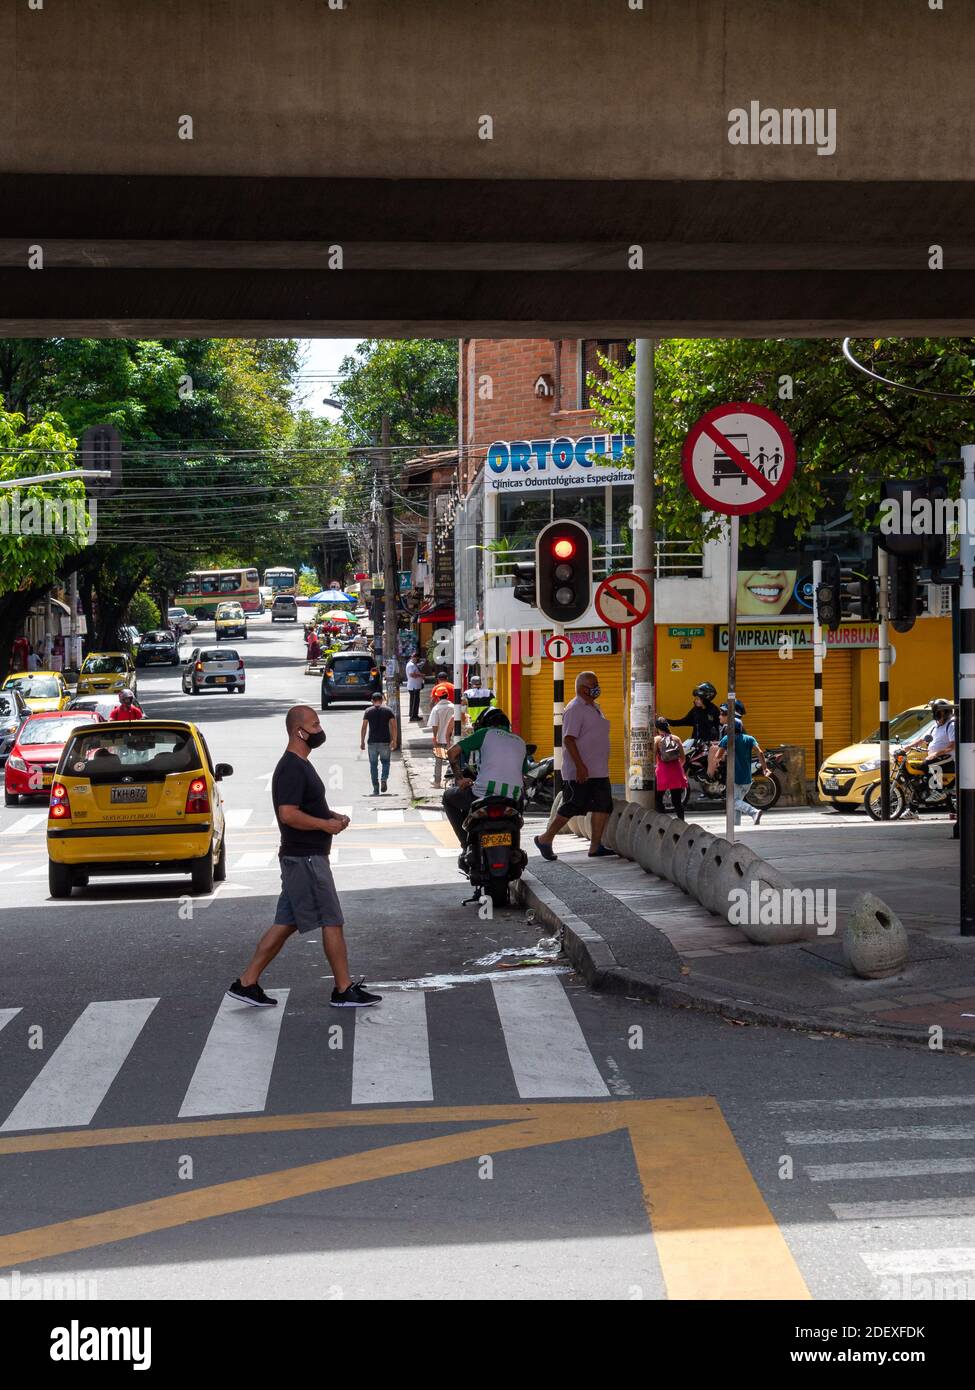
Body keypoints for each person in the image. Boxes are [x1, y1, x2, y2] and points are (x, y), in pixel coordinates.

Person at [227, 705, 381, 1009]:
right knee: (332, 920)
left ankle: (246, 983)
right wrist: (325, 825)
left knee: (286, 922)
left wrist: (330, 815)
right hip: (306, 859)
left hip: (303, 858)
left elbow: (303, 807)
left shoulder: (300, 764)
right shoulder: (291, 768)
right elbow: (288, 814)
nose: (319, 729)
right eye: (314, 724)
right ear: (299, 731)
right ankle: (343, 989)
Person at [534, 671, 615, 860]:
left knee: (602, 806)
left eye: (597, 683)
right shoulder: (575, 708)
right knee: (572, 806)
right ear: (581, 688)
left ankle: (595, 846)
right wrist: (580, 766)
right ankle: (545, 838)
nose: (597, 687)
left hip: (599, 770)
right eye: (593, 684)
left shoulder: (594, 707)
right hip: (582, 771)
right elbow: (568, 739)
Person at [443, 706, 529, 844]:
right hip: (512, 798)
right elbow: (523, 773)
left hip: (482, 794)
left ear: (485, 724)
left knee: (448, 797)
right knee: (518, 812)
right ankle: (515, 847)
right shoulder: (520, 741)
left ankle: (465, 844)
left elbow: (452, 752)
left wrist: (459, 779)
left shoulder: (485, 733)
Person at [712, 717, 768, 826]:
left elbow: (717, 756)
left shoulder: (727, 739)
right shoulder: (749, 739)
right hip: (747, 778)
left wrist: (717, 762)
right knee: (737, 803)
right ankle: (736, 826)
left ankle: (754, 812)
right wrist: (765, 768)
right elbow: (760, 753)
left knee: (732, 802)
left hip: (735, 778)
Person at [360, 690, 398, 795]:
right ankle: (384, 779)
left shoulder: (368, 711)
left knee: (373, 765)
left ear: (372, 701)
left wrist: (362, 741)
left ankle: (376, 789)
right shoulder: (388, 711)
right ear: (382, 700)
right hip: (385, 742)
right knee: (385, 762)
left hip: (372, 742)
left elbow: (364, 727)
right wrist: (394, 740)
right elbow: (394, 726)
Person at [654, 716, 688, 819]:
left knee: (658, 798)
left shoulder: (657, 740)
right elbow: (683, 758)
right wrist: (677, 768)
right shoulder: (676, 738)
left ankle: (664, 821)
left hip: (662, 772)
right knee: (677, 801)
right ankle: (681, 822)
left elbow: (653, 757)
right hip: (676, 771)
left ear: (657, 728)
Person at [427, 688, 455, 788]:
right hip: (452, 739)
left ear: (437, 697)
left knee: (438, 760)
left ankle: (437, 781)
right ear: (447, 696)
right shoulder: (453, 707)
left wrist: (435, 737)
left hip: (440, 739)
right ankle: (450, 779)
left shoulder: (436, 709)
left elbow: (435, 725)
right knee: (452, 760)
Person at [405, 654, 424, 722]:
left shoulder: (412, 664)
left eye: (417, 658)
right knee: (415, 702)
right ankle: (413, 716)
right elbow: (412, 674)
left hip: (415, 686)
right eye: (415, 658)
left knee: (414, 701)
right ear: (412, 657)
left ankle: (413, 715)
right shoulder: (411, 665)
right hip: (414, 686)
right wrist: (421, 675)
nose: (416, 659)